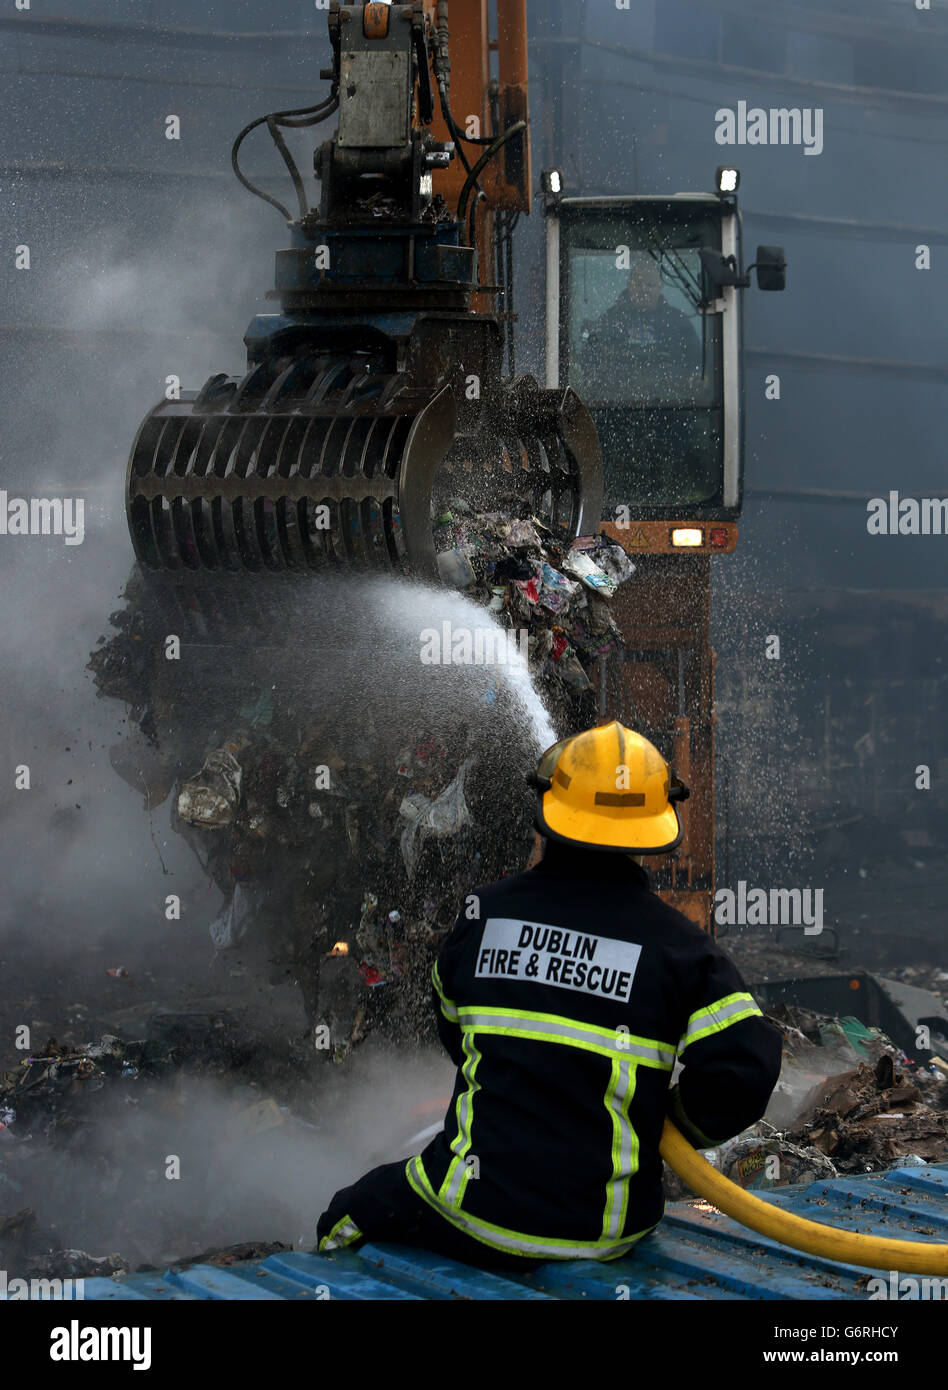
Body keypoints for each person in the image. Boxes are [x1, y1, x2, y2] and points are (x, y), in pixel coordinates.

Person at [316, 721, 782, 1268]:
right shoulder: (685, 952)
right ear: (655, 828)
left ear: (548, 813)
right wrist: (665, 1125)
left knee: (342, 1218)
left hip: (473, 1210)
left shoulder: (481, 916)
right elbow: (746, 1069)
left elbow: (452, 1024)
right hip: (605, 1231)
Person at [577, 254, 700, 396]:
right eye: (639, 283)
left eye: (650, 284)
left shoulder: (678, 322)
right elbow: (589, 361)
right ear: (629, 285)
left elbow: (696, 364)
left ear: (660, 287)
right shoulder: (609, 320)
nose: (644, 289)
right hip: (615, 406)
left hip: (672, 405)